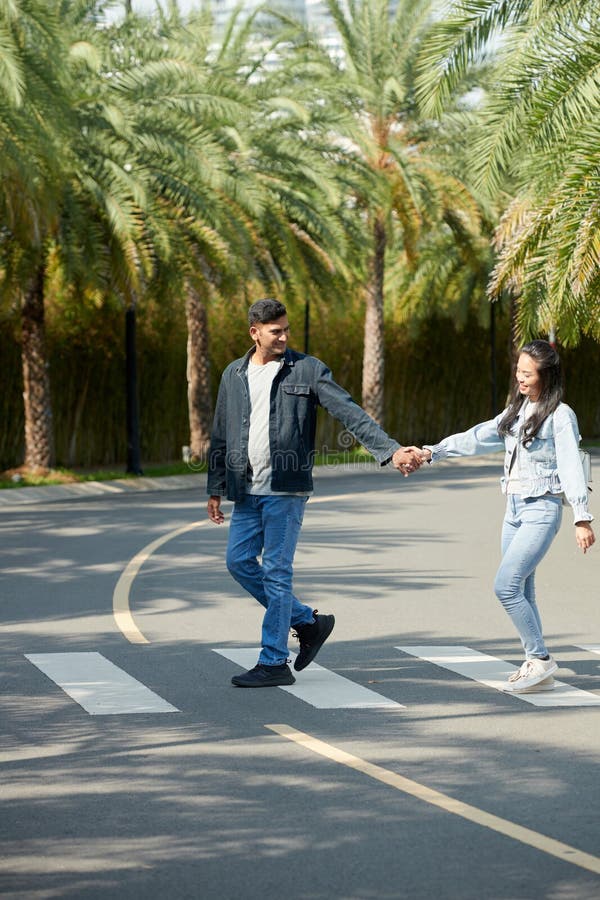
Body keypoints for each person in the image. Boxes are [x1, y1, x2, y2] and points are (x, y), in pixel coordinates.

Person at [207, 298, 421, 687]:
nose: (284, 337)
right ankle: (306, 621)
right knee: (238, 562)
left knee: (275, 572)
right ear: (254, 333)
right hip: (246, 489)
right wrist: (216, 487)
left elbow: (348, 410)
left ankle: (273, 662)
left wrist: (390, 450)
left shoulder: (307, 369)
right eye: (275, 332)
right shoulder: (233, 374)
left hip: (285, 490)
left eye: (286, 329)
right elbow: (221, 431)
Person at [420, 339, 594, 693]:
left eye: (527, 374)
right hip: (513, 510)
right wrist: (432, 451)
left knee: (506, 585)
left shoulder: (560, 415)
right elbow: (479, 436)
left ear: (546, 376)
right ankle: (536, 663)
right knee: (524, 588)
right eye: (518, 371)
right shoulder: (516, 411)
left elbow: (572, 466)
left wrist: (581, 517)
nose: (520, 378)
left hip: (541, 509)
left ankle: (540, 658)